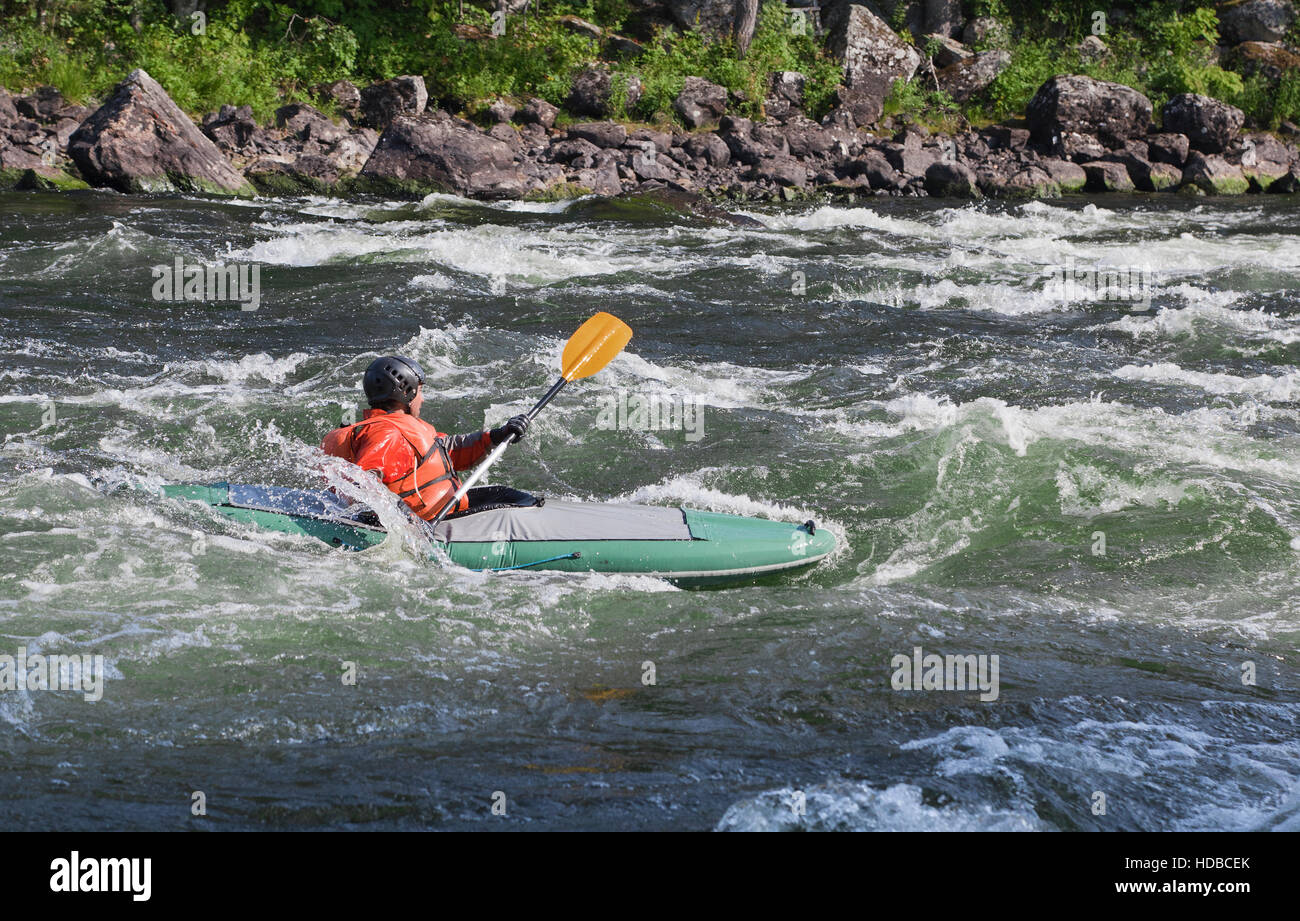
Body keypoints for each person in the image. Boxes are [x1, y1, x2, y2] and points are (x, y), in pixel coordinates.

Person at [321, 355, 533, 522]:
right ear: (406, 392)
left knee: (507, 496)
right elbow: (364, 481)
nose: (422, 398)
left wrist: (498, 435)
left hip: (435, 512)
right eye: (420, 391)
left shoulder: (395, 428)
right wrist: (403, 518)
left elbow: (448, 451)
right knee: (517, 503)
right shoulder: (389, 433)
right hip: (431, 521)